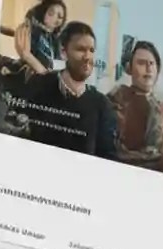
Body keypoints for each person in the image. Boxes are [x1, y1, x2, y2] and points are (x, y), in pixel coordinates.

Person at [12, 22, 117, 159]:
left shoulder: (102, 106)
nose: (88, 57)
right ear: (63, 52)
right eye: (80, 49)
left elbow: (107, 158)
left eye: (91, 50)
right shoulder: (39, 86)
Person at [107, 41, 163, 173]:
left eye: (152, 63)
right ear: (129, 69)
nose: (148, 69)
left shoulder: (161, 107)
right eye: (141, 63)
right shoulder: (115, 100)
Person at [13, 0, 68, 75]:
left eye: (60, 17)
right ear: (43, 12)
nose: (55, 18)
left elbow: (59, 61)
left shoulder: (56, 39)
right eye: (51, 13)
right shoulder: (35, 32)